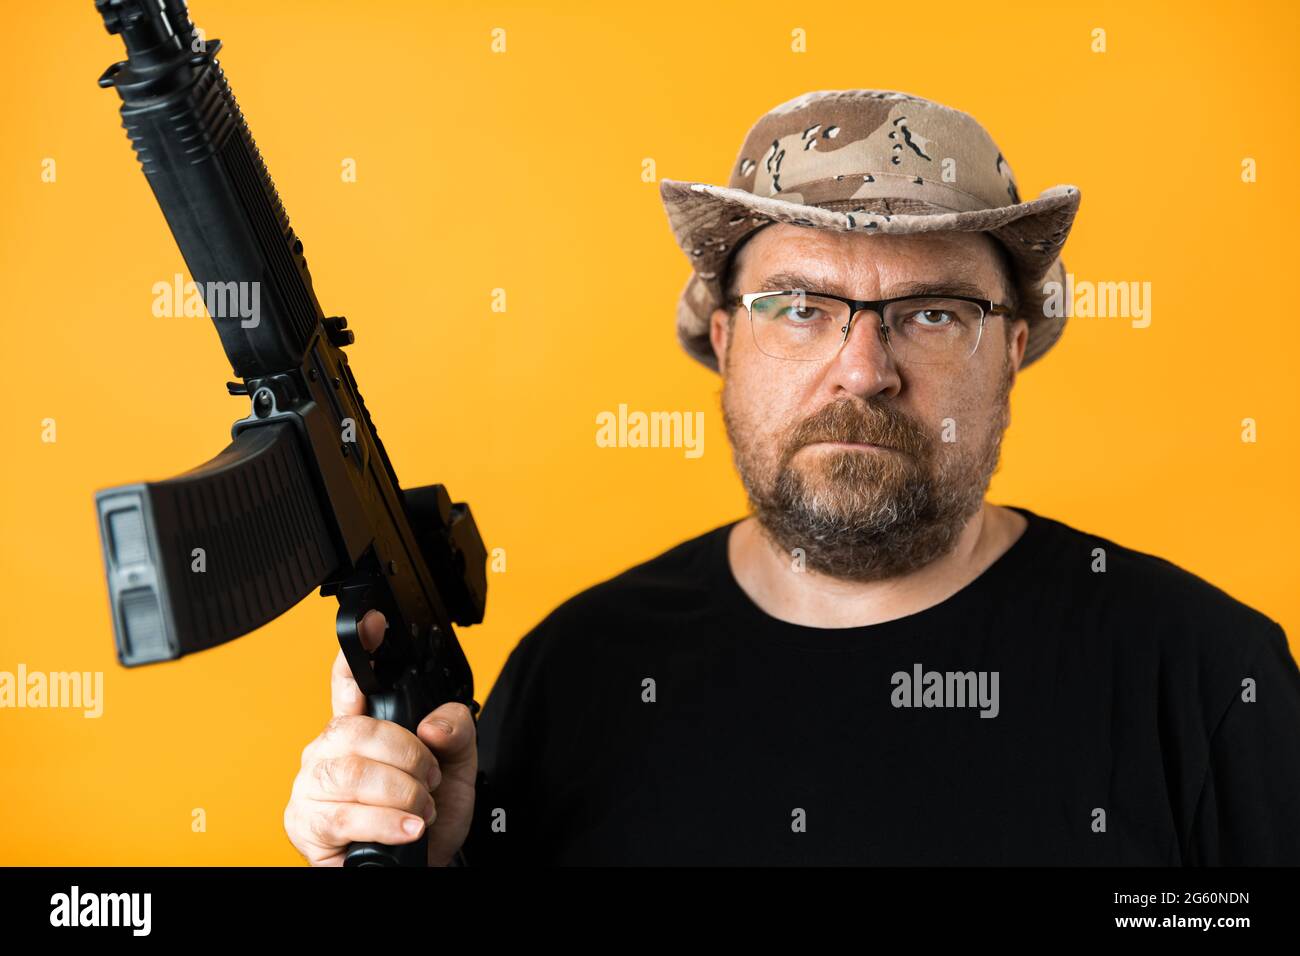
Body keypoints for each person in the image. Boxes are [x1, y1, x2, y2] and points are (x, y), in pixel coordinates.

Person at [283, 89, 1300, 866]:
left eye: (934, 311)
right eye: (798, 306)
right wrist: (414, 851)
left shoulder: (1207, 677)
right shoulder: (575, 672)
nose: (862, 369)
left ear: (1013, 347)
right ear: (724, 340)